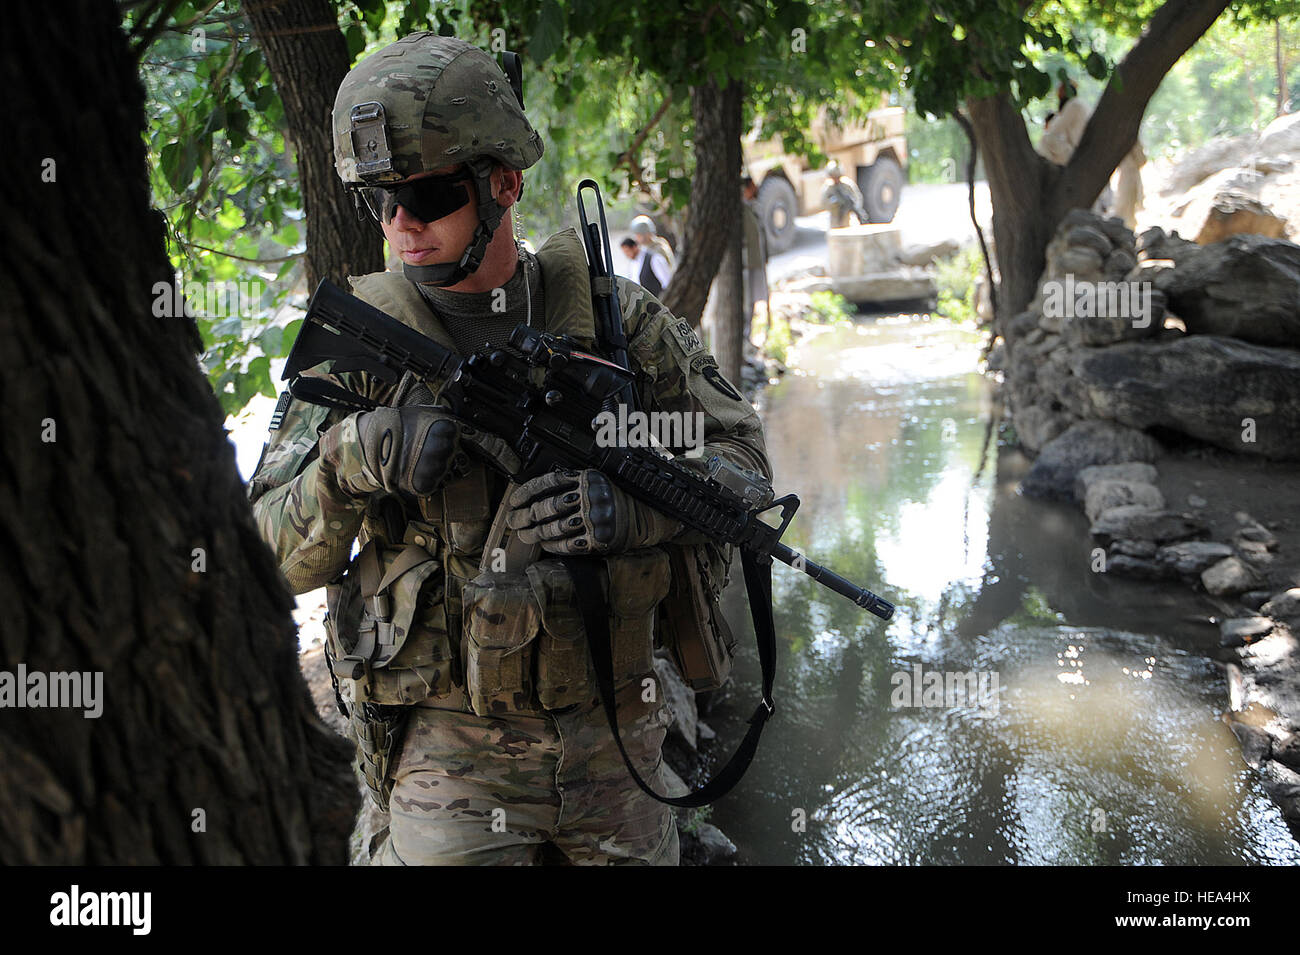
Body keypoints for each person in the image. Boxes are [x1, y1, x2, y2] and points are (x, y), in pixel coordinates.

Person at [245, 33, 770, 866]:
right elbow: (259, 559)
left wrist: (639, 507)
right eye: (379, 202)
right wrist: (351, 460)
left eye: (426, 195)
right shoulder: (359, 345)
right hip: (448, 756)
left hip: (619, 732)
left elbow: (745, 470)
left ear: (504, 182)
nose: (402, 225)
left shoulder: (615, 322)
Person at [741, 176, 769, 344]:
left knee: (752, 301)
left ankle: (747, 334)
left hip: (755, 262)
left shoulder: (752, 208)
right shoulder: (742, 210)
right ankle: (744, 336)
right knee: (746, 302)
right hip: (746, 264)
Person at [622, 224, 673, 297]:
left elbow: (667, 282)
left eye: (639, 235)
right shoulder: (635, 259)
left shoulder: (657, 252)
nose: (637, 238)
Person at [821, 161, 867, 228]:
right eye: (834, 177)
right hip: (835, 217)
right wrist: (834, 203)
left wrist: (854, 207)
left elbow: (857, 198)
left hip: (846, 217)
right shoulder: (828, 188)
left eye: (837, 177)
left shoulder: (847, 185)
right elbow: (824, 202)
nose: (836, 179)